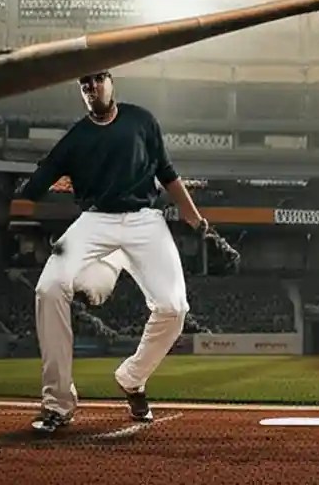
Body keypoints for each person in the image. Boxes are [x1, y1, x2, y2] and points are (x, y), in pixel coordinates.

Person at [13, 69, 214, 434]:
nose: (91, 89)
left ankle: (132, 377)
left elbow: (167, 173)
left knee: (174, 308)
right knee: (48, 288)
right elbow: (35, 185)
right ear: (81, 91)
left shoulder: (141, 120)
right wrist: (30, 188)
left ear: (111, 80)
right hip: (94, 222)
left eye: (97, 80)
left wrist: (196, 219)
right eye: (84, 84)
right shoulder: (76, 138)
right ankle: (57, 402)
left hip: (145, 221)